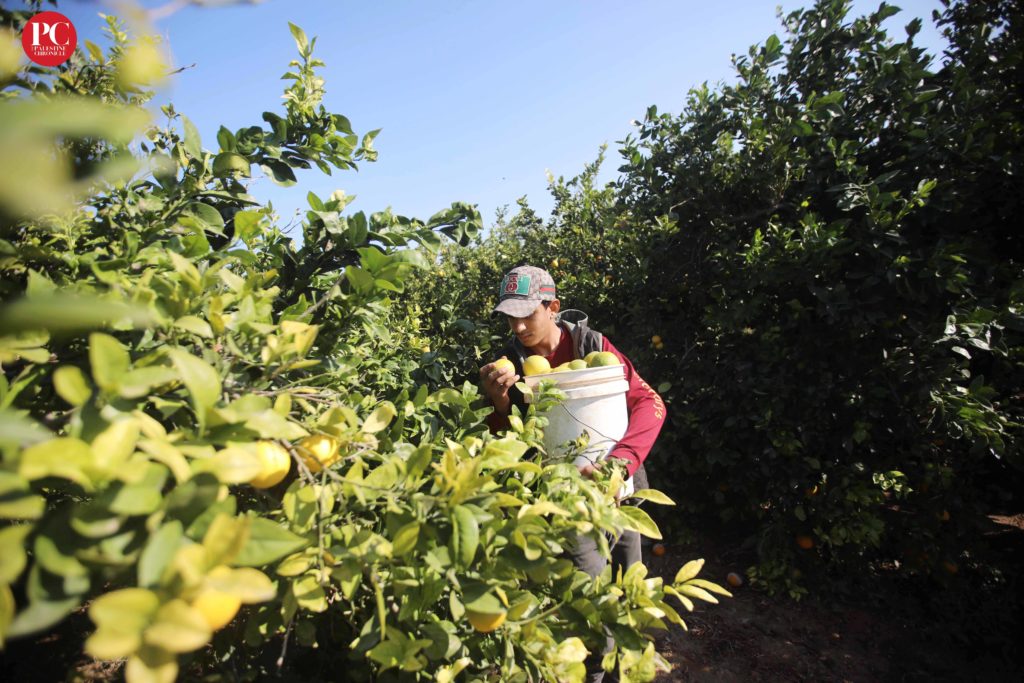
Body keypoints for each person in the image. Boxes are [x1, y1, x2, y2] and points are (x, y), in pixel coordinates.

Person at [479, 265, 665, 682]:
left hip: (621, 484)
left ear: (553, 307)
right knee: (589, 594)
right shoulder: (511, 367)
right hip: (566, 499)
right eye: (511, 316)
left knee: (626, 585)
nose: (519, 325)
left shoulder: (593, 345)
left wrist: (619, 465)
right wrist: (501, 407)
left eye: (528, 313)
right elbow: (506, 446)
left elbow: (651, 404)